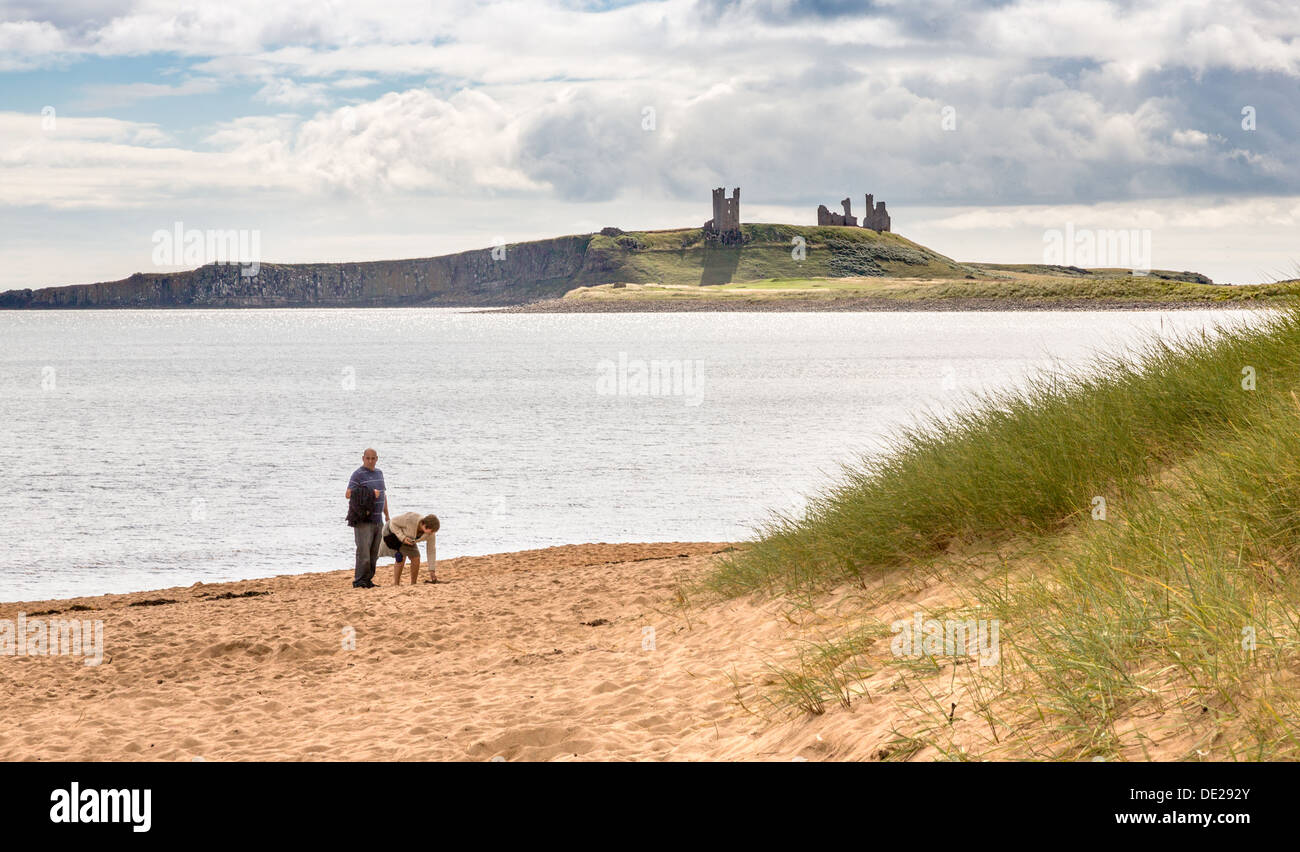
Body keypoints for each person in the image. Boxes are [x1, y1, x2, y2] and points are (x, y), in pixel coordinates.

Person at [345, 448, 389, 588]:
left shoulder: (379, 473)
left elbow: (383, 495)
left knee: (374, 553)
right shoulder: (357, 474)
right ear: (363, 458)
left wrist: (387, 514)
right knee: (363, 552)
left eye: (373, 458)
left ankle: (368, 580)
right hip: (363, 520)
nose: (370, 461)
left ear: (377, 459)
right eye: (368, 458)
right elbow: (348, 494)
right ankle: (359, 581)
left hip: (378, 519)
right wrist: (369, 493)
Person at [380, 512, 439, 585]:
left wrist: (432, 570)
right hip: (393, 533)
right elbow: (393, 522)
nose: (432, 533)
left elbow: (431, 551)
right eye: (432, 530)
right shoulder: (411, 518)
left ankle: (413, 584)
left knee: (416, 557)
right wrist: (403, 538)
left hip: (410, 539)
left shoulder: (430, 534)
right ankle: (396, 584)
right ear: (425, 525)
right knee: (401, 557)